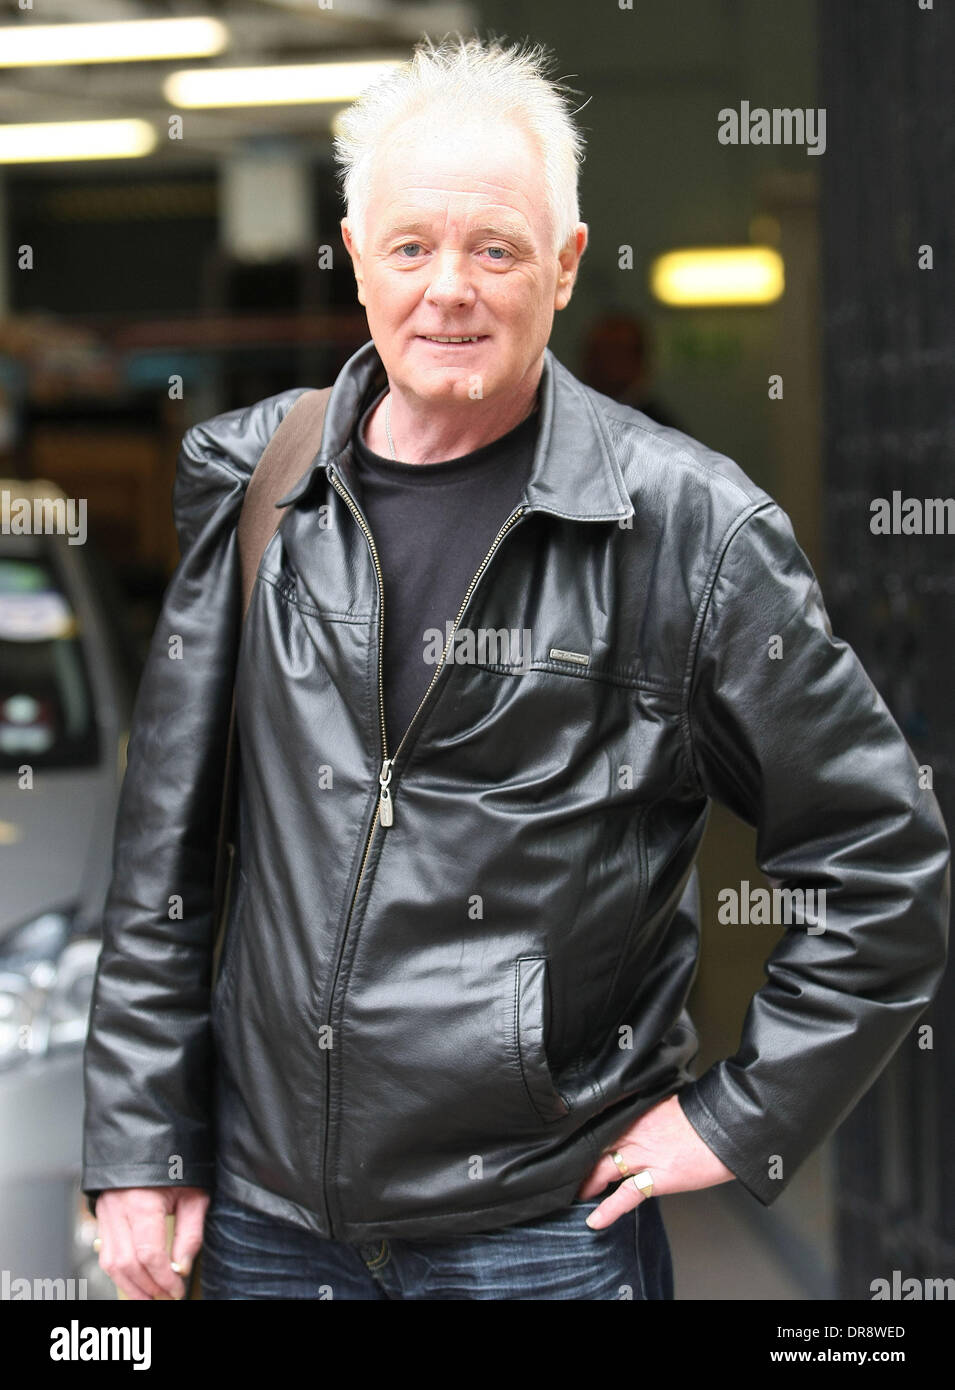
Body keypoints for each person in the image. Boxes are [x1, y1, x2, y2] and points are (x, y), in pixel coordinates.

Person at [82, 34, 949, 1301]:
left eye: (494, 249)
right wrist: (142, 1138)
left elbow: (881, 855)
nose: (449, 290)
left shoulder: (687, 531)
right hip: (270, 1224)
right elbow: (167, 842)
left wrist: (738, 1115)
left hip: (538, 1235)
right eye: (412, 246)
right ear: (356, 254)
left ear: (565, 264)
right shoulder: (259, 480)